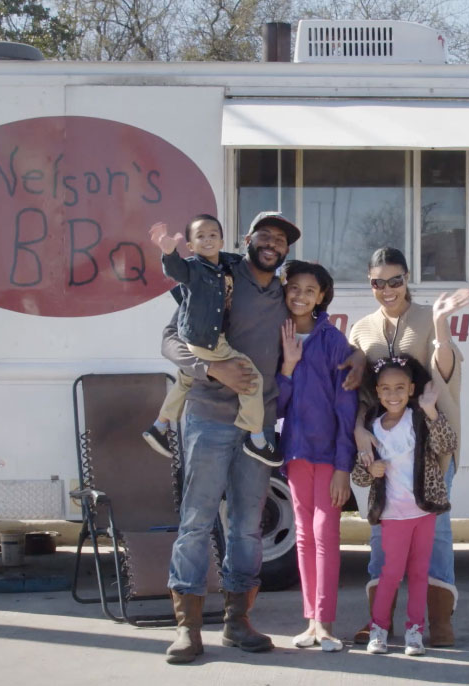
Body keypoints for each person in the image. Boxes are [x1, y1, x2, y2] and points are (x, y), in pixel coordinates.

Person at [160, 210, 300, 665]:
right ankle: (188, 628)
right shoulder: (217, 275)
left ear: (285, 251)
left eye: (281, 240)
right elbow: (169, 339)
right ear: (248, 238)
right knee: (197, 520)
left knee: (246, 526)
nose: (272, 244)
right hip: (208, 416)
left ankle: (237, 623)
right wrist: (209, 368)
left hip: (258, 425)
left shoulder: (286, 293)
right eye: (265, 235)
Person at [347, 247, 469, 648]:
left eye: (395, 280)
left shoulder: (425, 319)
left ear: (407, 279)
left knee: (437, 535)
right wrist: (359, 431)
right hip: (384, 451)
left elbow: (446, 372)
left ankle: (437, 623)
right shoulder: (362, 329)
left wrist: (440, 324)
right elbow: (358, 392)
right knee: (383, 534)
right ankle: (380, 621)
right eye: (378, 282)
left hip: (432, 448)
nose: (387, 289)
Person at [143, 214, 278, 466]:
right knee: (252, 377)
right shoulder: (193, 267)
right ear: (191, 246)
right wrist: (169, 252)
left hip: (199, 339)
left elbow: (248, 262)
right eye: (200, 237)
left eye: (213, 235)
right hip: (207, 340)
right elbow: (176, 270)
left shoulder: (226, 263)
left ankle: (159, 426)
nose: (208, 240)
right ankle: (257, 438)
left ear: (222, 240)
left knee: (185, 380)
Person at [276, 260, 357, 653]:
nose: (300, 296)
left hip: (328, 457)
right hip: (294, 452)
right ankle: (310, 623)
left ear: (322, 296)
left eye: (310, 290)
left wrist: (343, 467)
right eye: (294, 288)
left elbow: (347, 410)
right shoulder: (279, 337)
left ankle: (325, 623)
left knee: (326, 534)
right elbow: (274, 406)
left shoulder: (334, 342)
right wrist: (287, 367)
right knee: (305, 536)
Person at [351, 356, 455, 656]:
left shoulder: (419, 418)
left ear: (411, 389)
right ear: (377, 392)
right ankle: (379, 629)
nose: (392, 394)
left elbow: (447, 444)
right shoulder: (372, 426)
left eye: (399, 388)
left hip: (423, 511)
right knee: (391, 573)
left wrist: (431, 409)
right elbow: (359, 473)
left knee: (420, 573)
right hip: (393, 515)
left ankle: (415, 632)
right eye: (385, 389)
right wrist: (371, 470)